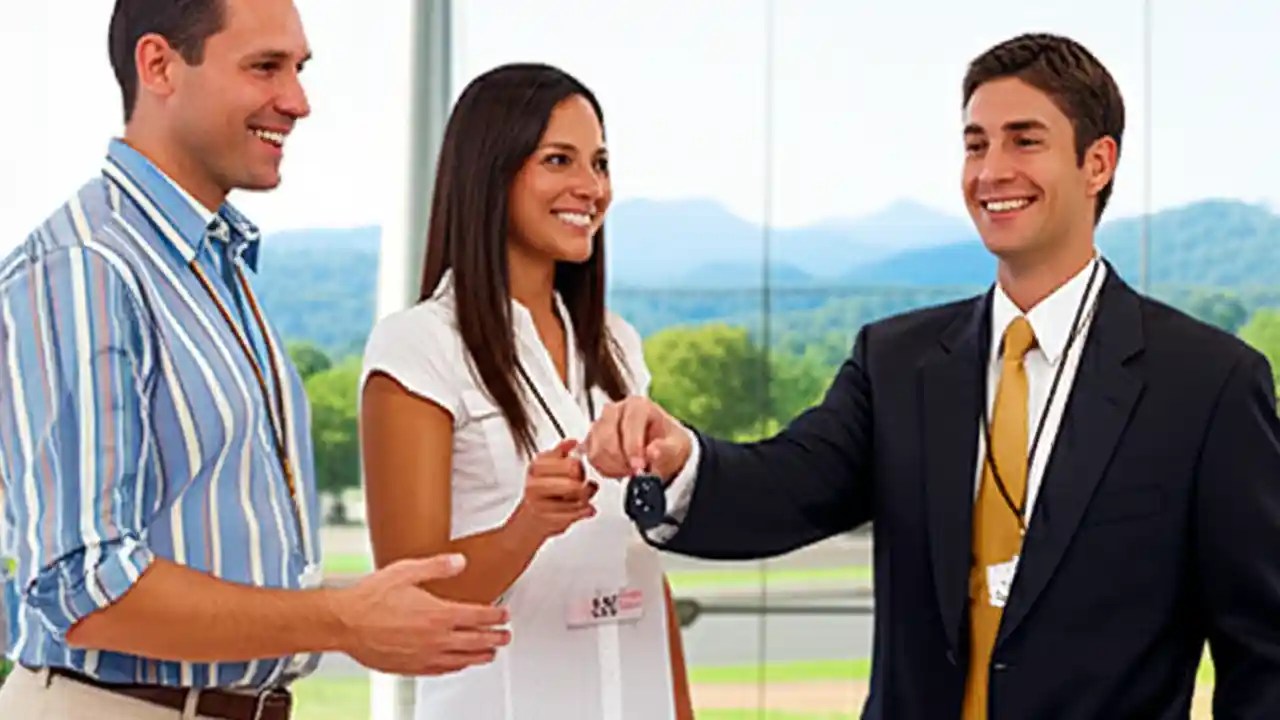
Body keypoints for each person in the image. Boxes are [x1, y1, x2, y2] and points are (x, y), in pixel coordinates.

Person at [585, 32, 1280, 719]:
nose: (991, 170)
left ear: (1097, 163)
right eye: (976, 143)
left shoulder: (1209, 385)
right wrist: (680, 460)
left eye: (1024, 140)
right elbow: (784, 485)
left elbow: (1264, 654)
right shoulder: (895, 362)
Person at [0, 1, 509, 717]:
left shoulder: (215, 266)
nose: (297, 101)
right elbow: (85, 584)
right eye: (264, 67)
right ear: (159, 66)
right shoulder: (87, 268)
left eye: (297, 69)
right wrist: (340, 619)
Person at [359, 63, 694, 720]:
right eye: (559, 160)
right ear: (492, 171)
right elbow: (409, 598)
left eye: (599, 163)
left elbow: (639, 563)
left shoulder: (618, 347)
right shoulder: (420, 347)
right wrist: (525, 527)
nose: (590, 187)